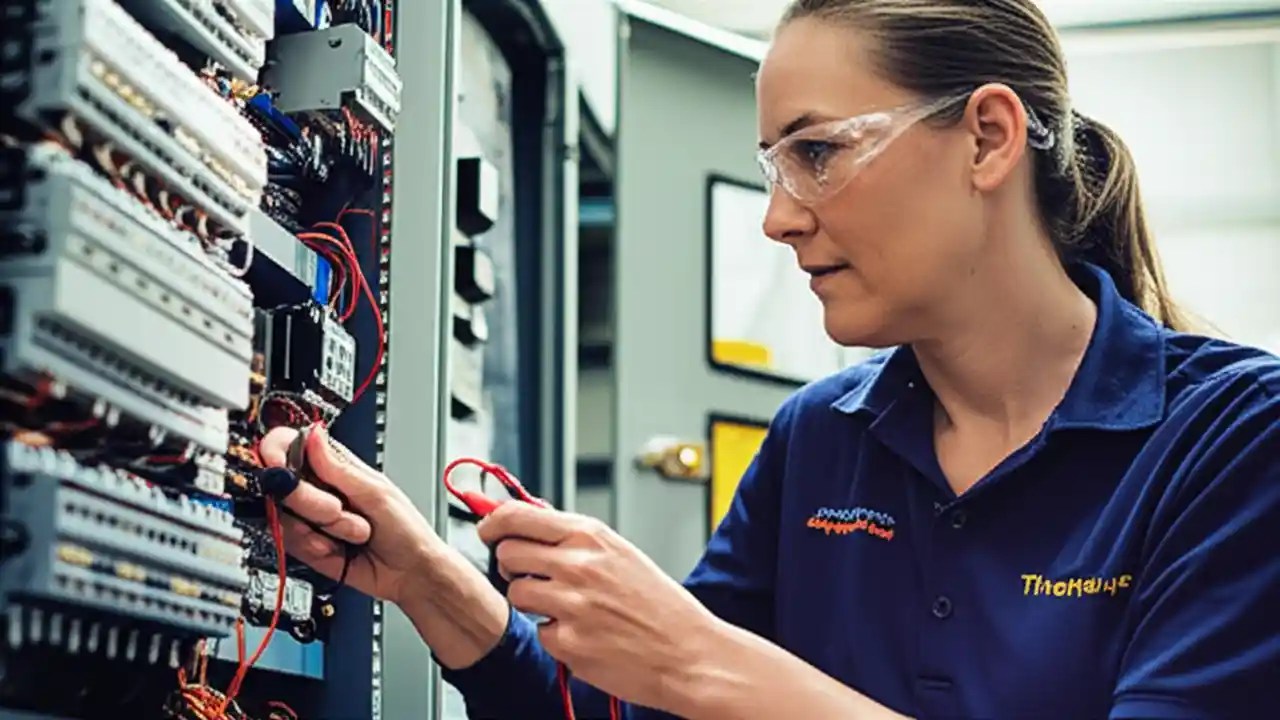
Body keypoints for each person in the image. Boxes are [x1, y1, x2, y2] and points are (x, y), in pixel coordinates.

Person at [260, 0, 1280, 717]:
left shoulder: (1232, 439)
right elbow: (631, 714)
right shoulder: (821, 441)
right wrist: (432, 583)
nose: (778, 219)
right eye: (773, 168)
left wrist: (703, 661)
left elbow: (697, 676)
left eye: (818, 152)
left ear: (986, 138)